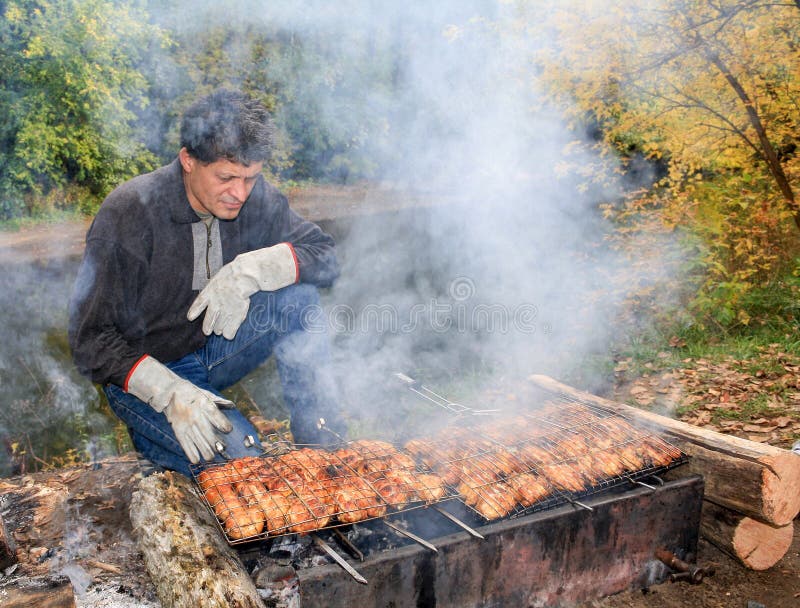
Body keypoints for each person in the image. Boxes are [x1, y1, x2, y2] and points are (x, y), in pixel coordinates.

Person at [68, 89, 346, 476]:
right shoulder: (129, 214)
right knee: (249, 472)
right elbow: (89, 340)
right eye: (226, 177)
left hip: (215, 346)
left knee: (298, 297)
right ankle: (157, 431)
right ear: (188, 160)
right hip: (149, 367)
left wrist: (252, 269)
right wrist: (166, 392)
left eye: (250, 177)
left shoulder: (253, 196)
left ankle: (325, 449)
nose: (239, 193)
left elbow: (326, 256)